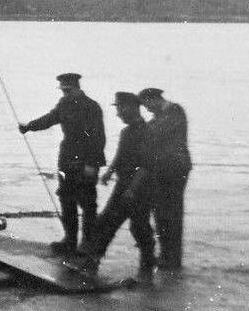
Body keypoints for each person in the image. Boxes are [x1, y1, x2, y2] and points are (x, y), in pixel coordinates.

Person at [65, 93, 155, 279]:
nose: (118, 113)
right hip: (124, 185)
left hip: (139, 189)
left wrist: (132, 189)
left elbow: (146, 165)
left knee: (133, 226)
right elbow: (121, 155)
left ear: (131, 107)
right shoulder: (127, 132)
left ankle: (146, 266)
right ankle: (93, 263)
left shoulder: (146, 133)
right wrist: (109, 171)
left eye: (120, 108)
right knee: (110, 223)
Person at [20, 73, 106, 254]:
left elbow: (99, 139)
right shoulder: (64, 104)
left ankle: (87, 243)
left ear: (76, 87)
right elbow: (49, 119)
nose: (65, 93)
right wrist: (29, 126)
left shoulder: (92, 107)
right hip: (67, 160)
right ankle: (70, 240)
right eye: (63, 90)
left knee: (87, 203)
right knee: (66, 199)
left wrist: (92, 165)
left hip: (86, 162)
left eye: (67, 90)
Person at [138, 87, 191, 272]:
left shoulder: (174, 111)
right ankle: (166, 256)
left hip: (175, 169)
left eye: (147, 105)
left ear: (154, 99)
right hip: (163, 169)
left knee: (172, 214)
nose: (147, 109)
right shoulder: (162, 115)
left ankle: (173, 259)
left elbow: (155, 133)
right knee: (161, 213)